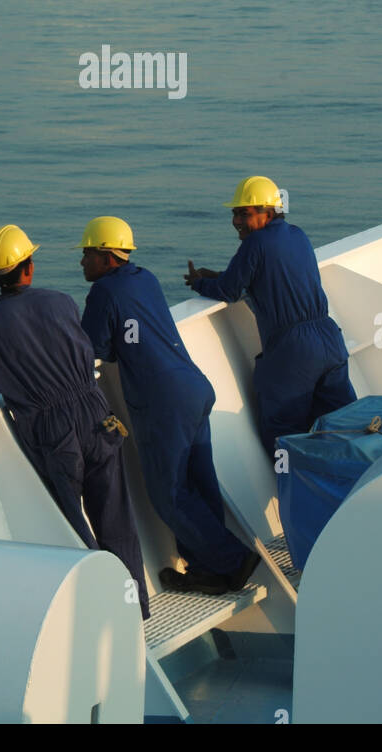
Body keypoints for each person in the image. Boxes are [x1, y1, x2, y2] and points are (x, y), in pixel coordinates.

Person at [0, 223, 149, 619]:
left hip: (54, 433)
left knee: (73, 530)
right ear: (29, 267)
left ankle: (104, 616)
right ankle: (135, 610)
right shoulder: (61, 302)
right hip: (96, 414)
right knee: (116, 520)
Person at [79, 216, 259, 597]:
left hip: (162, 402)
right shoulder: (145, 277)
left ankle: (232, 559)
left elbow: (93, 348)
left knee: (168, 493)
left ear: (107, 257)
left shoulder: (103, 293)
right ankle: (208, 571)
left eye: (87, 254)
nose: (82, 262)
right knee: (200, 482)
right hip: (193, 388)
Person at [185, 176, 356, 461]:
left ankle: (297, 496)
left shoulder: (256, 244)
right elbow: (267, 276)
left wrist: (199, 282)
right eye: (234, 213)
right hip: (329, 339)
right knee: (344, 426)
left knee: (284, 435)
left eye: (245, 213)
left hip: (293, 351)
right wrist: (219, 276)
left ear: (268, 213)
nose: (236, 221)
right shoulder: (298, 234)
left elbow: (229, 290)